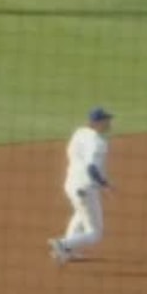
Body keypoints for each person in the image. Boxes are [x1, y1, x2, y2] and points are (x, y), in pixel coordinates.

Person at [49, 107, 112, 265]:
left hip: (70, 184)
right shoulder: (98, 142)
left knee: (81, 213)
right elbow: (92, 168)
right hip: (85, 188)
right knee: (95, 233)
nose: (109, 123)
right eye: (106, 120)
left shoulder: (79, 133)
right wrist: (104, 184)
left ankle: (67, 251)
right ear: (97, 122)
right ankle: (63, 244)